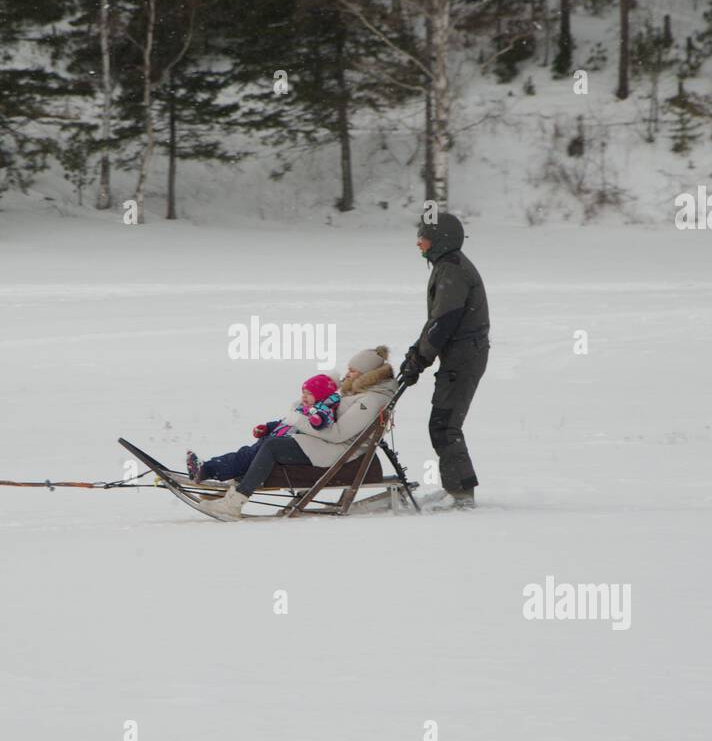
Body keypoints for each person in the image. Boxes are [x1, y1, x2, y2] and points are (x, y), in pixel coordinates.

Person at [197, 347, 398, 520]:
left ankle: (233, 504)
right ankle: (231, 481)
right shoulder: (361, 394)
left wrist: (299, 420)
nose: (347, 375)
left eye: (353, 371)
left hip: (338, 451)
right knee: (272, 439)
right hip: (328, 445)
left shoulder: (369, 401)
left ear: (368, 374)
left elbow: (338, 434)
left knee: (273, 446)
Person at [399, 212, 489, 509]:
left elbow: (443, 323)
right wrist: (416, 353)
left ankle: (461, 496)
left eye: (422, 237)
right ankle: (458, 489)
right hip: (461, 355)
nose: (418, 243)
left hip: (464, 356)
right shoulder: (447, 267)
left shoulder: (451, 270)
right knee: (444, 424)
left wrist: (419, 360)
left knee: (444, 425)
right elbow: (437, 324)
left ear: (440, 240)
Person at [187, 374, 341, 483]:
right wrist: (267, 428)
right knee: (244, 455)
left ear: (321, 395)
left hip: (286, 447)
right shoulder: (301, 409)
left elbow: (323, 422)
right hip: (274, 441)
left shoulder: (322, 409)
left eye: (310, 394)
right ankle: (209, 469)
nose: (304, 397)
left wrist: (316, 419)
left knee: (245, 457)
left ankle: (206, 470)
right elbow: (285, 423)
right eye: (303, 393)